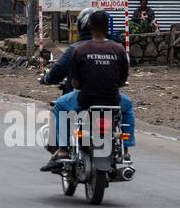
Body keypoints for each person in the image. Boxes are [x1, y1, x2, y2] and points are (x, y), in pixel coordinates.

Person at [41, 9, 136, 170]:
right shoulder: (119, 49)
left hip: (85, 100)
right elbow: (122, 80)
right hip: (113, 100)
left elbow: (76, 82)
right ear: (108, 27)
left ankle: (63, 150)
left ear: (88, 27)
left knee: (60, 106)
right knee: (128, 107)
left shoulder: (78, 50)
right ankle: (125, 149)